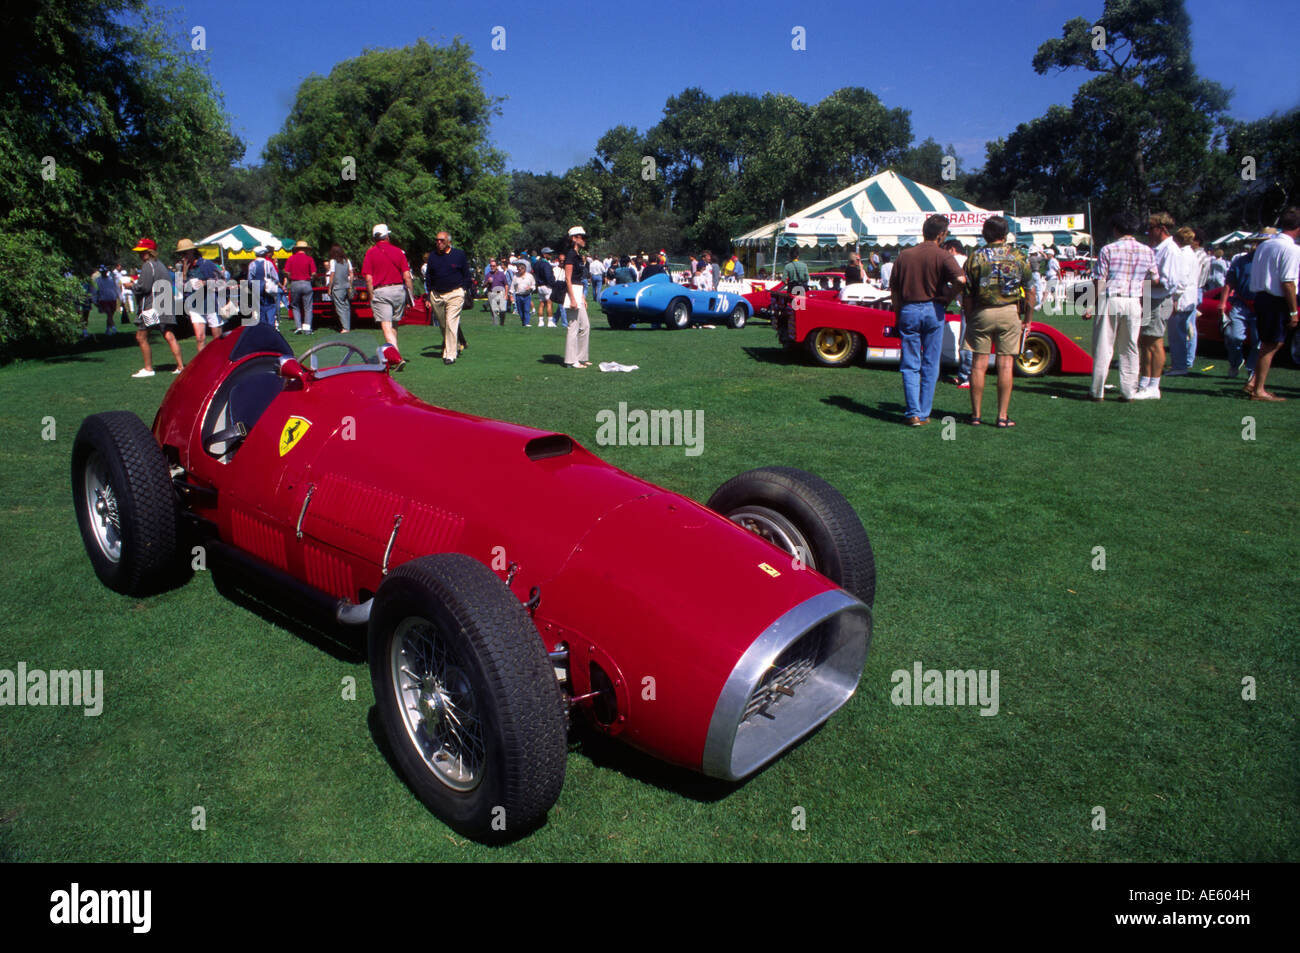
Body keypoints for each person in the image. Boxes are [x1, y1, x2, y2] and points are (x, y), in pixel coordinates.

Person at [890, 215, 966, 426]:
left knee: (910, 363)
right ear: (941, 234)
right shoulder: (943, 256)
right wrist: (949, 296)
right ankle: (923, 413)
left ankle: (912, 412)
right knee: (931, 363)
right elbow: (961, 280)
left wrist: (898, 315)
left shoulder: (904, 255)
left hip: (908, 309)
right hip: (934, 309)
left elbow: (894, 291)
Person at [962, 216, 1034, 426]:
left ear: (985, 234)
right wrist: (1027, 319)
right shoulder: (1019, 256)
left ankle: (975, 415)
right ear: (1005, 235)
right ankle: (1002, 416)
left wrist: (969, 316)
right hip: (1009, 312)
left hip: (981, 312)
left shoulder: (975, 257)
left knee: (978, 365)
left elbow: (967, 293)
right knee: (1005, 365)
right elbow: (1030, 292)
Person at [1084, 211, 1157, 401]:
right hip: (1134, 301)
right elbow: (1154, 278)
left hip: (1112, 299)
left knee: (1103, 347)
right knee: (1130, 348)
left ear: (1116, 229)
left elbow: (1100, 280)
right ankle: (1128, 391)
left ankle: (1097, 391)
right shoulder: (1147, 251)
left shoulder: (1108, 250)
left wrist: (1090, 305)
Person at [1245, 207, 1300, 401]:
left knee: (1271, 342)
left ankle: (1254, 382)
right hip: (1275, 300)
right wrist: (1293, 311)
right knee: (1272, 343)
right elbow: (1288, 282)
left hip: (1261, 297)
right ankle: (1259, 389)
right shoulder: (1291, 249)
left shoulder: (1265, 245)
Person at [1135, 212, 1179, 400]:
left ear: (1161, 228)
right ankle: (1144, 382)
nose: (1148, 232)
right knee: (1144, 341)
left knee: (1155, 341)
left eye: (1151, 228)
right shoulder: (1156, 248)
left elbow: (1167, 281)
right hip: (1148, 298)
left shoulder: (1171, 250)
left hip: (1158, 299)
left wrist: (1141, 282)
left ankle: (1154, 385)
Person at [129, 237, 184, 378]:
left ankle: (148, 369)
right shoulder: (161, 265)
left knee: (141, 336)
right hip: (165, 303)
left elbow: (144, 287)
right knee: (168, 333)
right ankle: (180, 366)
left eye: (143, 252)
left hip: (152, 306)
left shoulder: (148, 265)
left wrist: (132, 286)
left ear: (150, 252)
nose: (140, 255)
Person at [1222, 230, 1268, 380]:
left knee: (1258, 342)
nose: (1261, 245)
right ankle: (1236, 362)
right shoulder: (1241, 261)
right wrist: (1222, 302)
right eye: (1260, 242)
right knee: (1234, 336)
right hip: (1241, 304)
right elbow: (1229, 282)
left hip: (1261, 305)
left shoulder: (1270, 261)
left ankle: (1252, 369)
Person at [361, 224, 415, 349]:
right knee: (394, 324)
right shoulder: (398, 251)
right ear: (387, 236)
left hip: (381, 291)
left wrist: (371, 295)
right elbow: (407, 276)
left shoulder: (370, 253)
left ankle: (396, 356)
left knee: (386, 325)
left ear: (375, 238)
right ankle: (394, 353)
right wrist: (410, 295)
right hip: (398, 290)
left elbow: (368, 279)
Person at [425, 230, 472, 364]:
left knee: (451, 323)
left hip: (455, 293)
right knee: (443, 324)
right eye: (437, 240)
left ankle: (450, 355)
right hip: (437, 294)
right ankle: (453, 344)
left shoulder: (459, 255)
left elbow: (466, 275)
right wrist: (429, 294)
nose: (439, 243)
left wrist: (463, 289)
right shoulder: (433, 256)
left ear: (449, 242)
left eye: (442, 240)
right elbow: (429, 276)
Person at [176, 238, 223, 351]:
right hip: (194, 306)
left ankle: (220, 362)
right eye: (181, 254)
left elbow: (222, 281)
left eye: (185, 253)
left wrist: (205, 283)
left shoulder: (206, 264)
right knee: (200, 338)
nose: (183, 256)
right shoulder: (182, 268)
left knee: (217, 338)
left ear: (192, 251)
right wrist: (184, 274)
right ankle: (204, 365)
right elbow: (179, 288)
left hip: (210, 304)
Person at [1166, 226, 1200, 376]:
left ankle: (1179, 365)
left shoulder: (1183, 255)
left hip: (1182, 300)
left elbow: (1181, 280)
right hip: (1189, 298)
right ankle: (1180, 363)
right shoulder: (1191, 254)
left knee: (1176, 335)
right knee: (1181, 333)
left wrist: (1175, 298)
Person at [943, 238, 973, 389]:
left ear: (952, 249)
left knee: (965, 343)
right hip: (975, 306)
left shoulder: (955, 260)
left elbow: (957, 282)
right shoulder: (968, 259)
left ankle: (966, 377)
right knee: (970, 342)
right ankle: (966, 375)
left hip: (968, 307)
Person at [562, 227, 591, 369]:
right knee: (573, 326)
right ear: (574, 238)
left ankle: (581, 357)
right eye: (581, 237)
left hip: (578, 292)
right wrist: (573, 298)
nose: (584, 240)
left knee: (585, 326)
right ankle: (571, 360)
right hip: (572, 292)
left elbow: (579, 279)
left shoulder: (578, 255)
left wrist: (582, 298)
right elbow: (568, 278)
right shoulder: (570, 255)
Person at [283, 239, 317, 335]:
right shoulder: (309, 259)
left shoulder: (291, 258)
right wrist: (310, 278)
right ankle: (307, 328)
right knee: (308, 307)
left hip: (295, 283)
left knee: (295, 306)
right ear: (305, 249)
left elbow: (286, 272)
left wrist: (290, 277)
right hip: (306, 283)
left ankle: (298, 327)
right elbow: (314, 273)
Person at [248, 245, 280, 327]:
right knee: (271, 307)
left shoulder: (252, 264)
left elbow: (250, 280)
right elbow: (276, 278)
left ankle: (263, 326)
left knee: (260, 309)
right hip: (268, 288)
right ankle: (271, 326)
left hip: (257, 288)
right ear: (264, 253)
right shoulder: (269, 263)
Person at [325, 244, 353, 332]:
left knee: (340, 308)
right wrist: (350, 284)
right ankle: (347, 325)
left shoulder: (333, 261)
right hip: (346, 286)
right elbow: (351, 273)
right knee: (346, 306)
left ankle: (345, 327)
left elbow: (332, 274)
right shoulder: (347, 261)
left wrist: (329, 287)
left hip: (337, 287)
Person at [93, 265, 121, 335]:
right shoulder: (98, 280)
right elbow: (95, 291)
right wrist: (95, 300)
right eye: (102, 272)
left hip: (112, 298)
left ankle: (107, 329)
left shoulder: (111, 279)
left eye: (105, 272)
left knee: (110, 315)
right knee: (109, 313)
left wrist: (120, 297)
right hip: (103, 299)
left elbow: (116, 288)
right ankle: (114, 329)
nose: (104, 273)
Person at [510, 260, 535, 326]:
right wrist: (511, 295)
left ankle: (527, 323)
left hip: (527, 295)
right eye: (518, 269)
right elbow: (512, 286)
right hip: (518, 295)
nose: (519, 270)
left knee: (526, 309)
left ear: (524, 269)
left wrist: (530, 288)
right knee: (520, 311)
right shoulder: (516, 276)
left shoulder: (529, 276)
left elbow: (534, 285)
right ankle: (524, 322)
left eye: (521, 269)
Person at [486, 260, 510, 326]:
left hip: (501, 293)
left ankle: (502, 323)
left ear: (496, 266)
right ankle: (495, 325)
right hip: (492, 294)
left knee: (503, 310)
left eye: (493, 266)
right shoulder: (488, 275)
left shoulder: (501, 274)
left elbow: (506, 285)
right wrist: (488, 282)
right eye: (491, 266)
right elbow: (483, 285)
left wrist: (506, 295)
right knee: (494, 311)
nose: (492, 267)